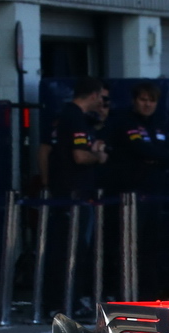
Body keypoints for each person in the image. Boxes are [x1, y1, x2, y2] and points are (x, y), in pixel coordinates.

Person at [108, 80, 169, 299]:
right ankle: (120, 292)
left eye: (152, 100)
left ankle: (148, 293)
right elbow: (137, 149)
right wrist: (153, 156)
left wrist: (153, 157)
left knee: (151, 245)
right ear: (134, 101)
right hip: (129, 194)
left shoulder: (159, 124)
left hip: (155, 195)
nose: (147, 104)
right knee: (126, 244)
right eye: (143, 99)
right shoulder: (124, 121)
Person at [46, 76, 109, 317]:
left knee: (73, 249)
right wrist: (99, 157)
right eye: (100, 97)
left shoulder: (70, 116)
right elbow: (80, 157)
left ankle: (67, 300)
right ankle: (63, 303)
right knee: (71, 249)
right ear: (93, 94)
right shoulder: (74, 117)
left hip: (72, 192)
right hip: (74, 194)